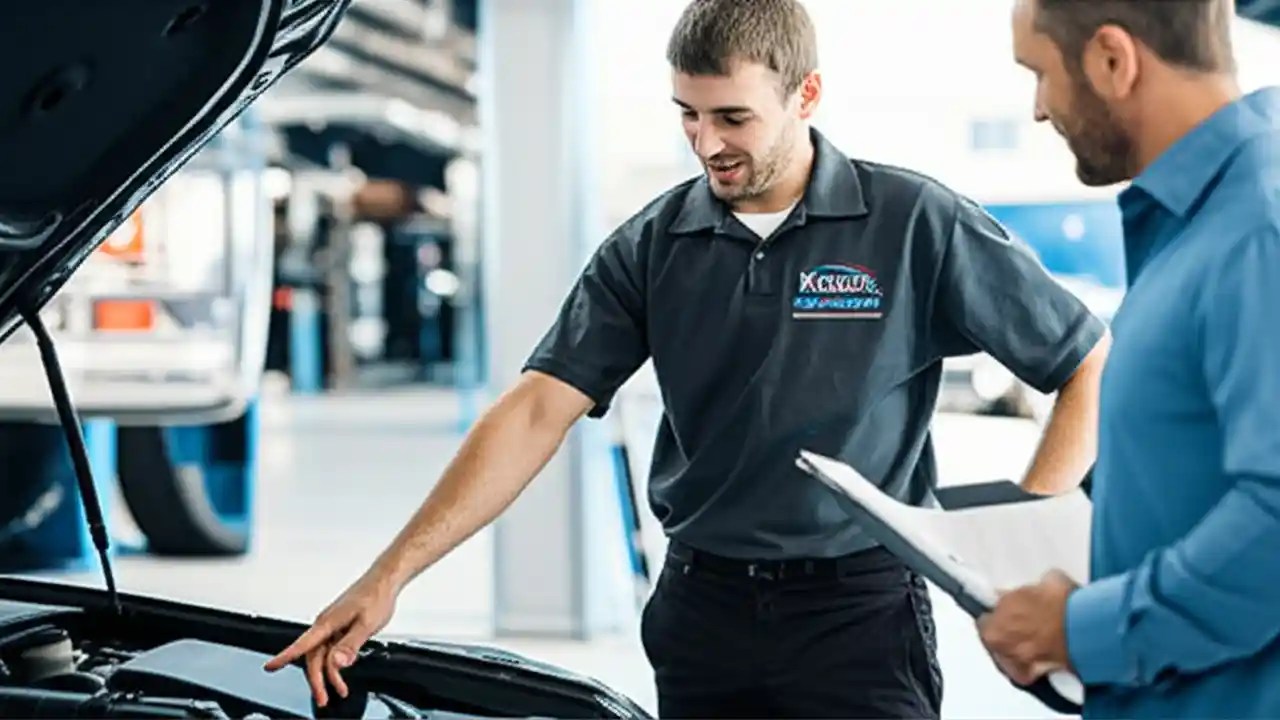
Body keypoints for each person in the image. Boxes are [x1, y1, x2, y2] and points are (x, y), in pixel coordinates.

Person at [266, 0, 1110, 716]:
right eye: (688, 115)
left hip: (858, 616)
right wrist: (389, 576)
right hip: (702, 611)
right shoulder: (654, 244)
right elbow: (531, 411)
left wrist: (1010, 556)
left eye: (733, 117)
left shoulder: (912, 222)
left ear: (805, 95)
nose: (707, 144)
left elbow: (1083, 360)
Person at [978, 1, 1280, 718]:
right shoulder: (1190, 227)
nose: (1039, 111)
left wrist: (1081, 629)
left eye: (1041, 75)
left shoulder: (1256, 233)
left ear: (1114, 60)